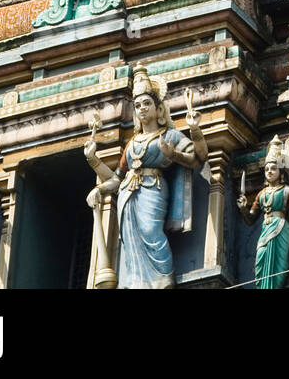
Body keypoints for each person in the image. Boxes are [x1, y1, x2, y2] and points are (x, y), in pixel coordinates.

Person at [85, 67, 208, 289]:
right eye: (138, 105)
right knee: (130, 244)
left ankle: (162, 282)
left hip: (153, 189)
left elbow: (198, 158)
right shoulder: (132, 144)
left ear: (159, 109)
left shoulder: (169, 135)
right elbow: (116, 179)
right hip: (128, 195)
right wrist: (94, 163)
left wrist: (190, 134)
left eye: (147, 104)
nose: (142, 108)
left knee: (152, 232)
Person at [237, 136, 289, 289]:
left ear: (281, 172)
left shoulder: (287, 191)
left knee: (278, 267)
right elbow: (251, 219)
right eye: (266, 169)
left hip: (280, 229)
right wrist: (243, 208)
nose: (269, 172)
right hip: (266, 231)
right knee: (261, 259)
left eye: (273, 169)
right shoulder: (262, 194)